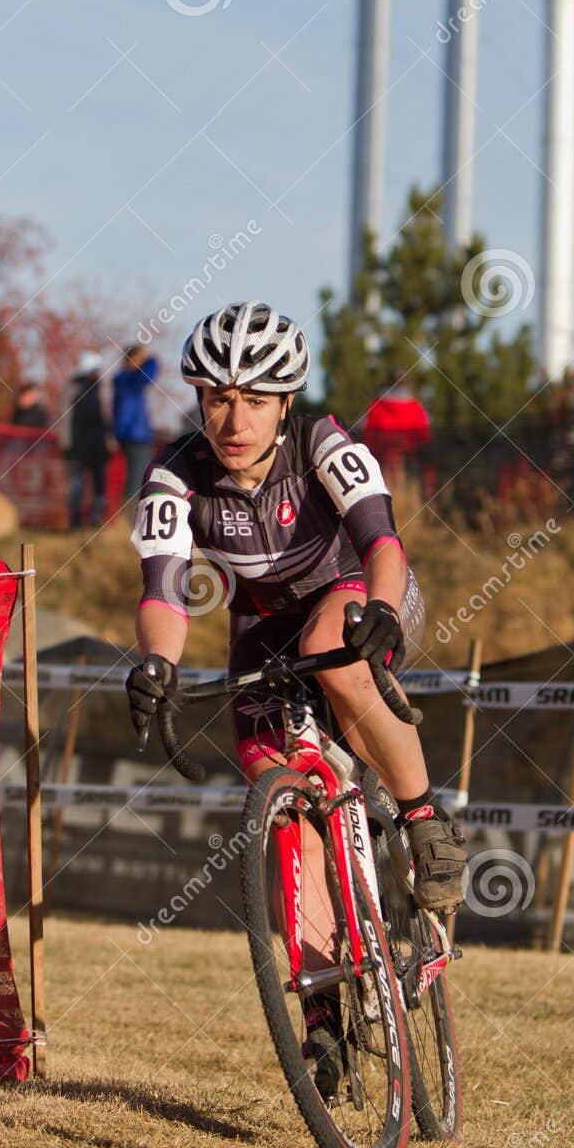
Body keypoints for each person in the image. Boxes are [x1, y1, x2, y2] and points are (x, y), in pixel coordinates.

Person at [124, 303, 466, 1069]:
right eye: (217, 398)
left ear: (284, 401)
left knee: (332, 648)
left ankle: (421, 819)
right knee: (281, 811)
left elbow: (382, 542)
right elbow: (163, 595)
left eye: (252, 398)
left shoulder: (322, 443)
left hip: (354, 596)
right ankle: (321, 1011)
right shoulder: (172, 478)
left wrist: (377, 610)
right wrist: (158, 665)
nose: (232, 417)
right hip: (259, 630)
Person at [61, 352, 109, 529]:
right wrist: (66, 444)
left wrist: (109, 442)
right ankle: (75, 523)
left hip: (97, 446)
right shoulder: (72, 389)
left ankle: (96, 522)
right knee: (76, 486)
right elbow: (64, 418)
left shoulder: (100, 389)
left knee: (99, 485)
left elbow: (105, 417)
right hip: (77, 446)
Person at [112, 345, 160, 502]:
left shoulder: (125, 380)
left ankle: (130, 517)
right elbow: (148, 376)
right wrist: (152, 359)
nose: (143, 363)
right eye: (141, 359)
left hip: (133, 435)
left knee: (137, 476)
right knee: (138, 477)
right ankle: (130, 517)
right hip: (134, 435)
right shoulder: (129, 380)